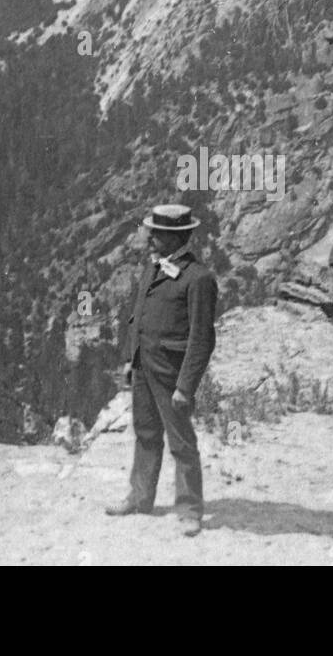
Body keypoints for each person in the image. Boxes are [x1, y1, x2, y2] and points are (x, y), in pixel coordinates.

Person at [106, 203, 217, 536]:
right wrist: (130, 359)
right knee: (145, 432)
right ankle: (140, 497)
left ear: (177, 236)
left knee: (181, 441)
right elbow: (137, 316)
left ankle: (190, 509)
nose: (149, 237)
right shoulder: (154, 267)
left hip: (171, 373)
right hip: (143, 367)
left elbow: (201, 339)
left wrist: (186, 386)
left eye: (157, 233)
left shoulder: (198, 279)